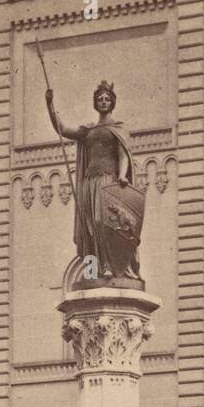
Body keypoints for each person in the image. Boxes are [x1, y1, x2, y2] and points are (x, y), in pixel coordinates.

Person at [45, 79, 141, 279]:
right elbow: (62, 129)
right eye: (100, 99)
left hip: (109, 182)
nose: (103, 101)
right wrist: (50, 105)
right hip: (89, 183)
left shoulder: (118, 128)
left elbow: (123, 154)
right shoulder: (88, 130)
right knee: (88, 227)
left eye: (107, 99)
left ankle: (108, 265)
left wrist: (122, 175)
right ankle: (92, 271)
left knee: (102, 222)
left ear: (112, 103)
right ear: (96, 103)